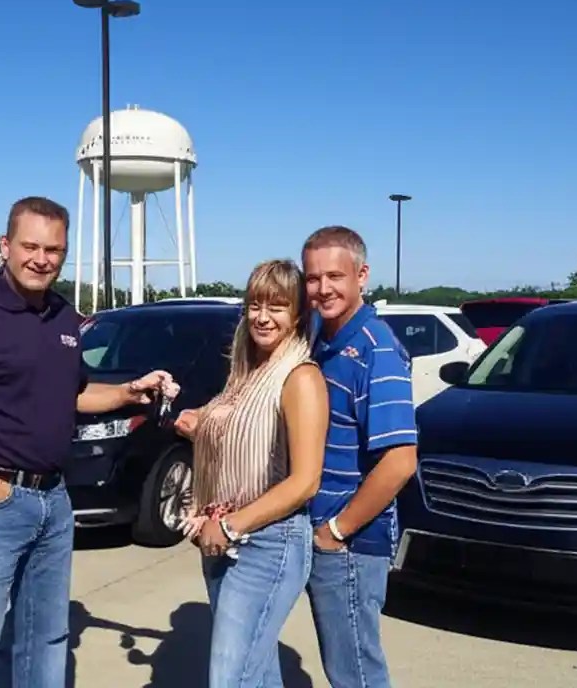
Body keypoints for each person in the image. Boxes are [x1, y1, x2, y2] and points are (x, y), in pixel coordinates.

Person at [0, 196, 179, 688]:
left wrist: (131, 391)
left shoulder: (64, 318)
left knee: (45, 642)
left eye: (54, 250)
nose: (41, 259)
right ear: (5, 246)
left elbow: (73, 394)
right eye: (30, 246)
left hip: (54, 500)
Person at [173, 258, 328, 688]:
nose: (262, 317)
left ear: (297, 314)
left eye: (276, 306)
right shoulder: (245, 372)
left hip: (268, 543)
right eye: (254, 305)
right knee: (255, 675)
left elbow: (305, 480)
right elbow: (241, 438)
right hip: (223, 536)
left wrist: (230, 524)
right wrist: (198, 425)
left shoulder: (300, 378)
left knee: (231, 677)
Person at [300, 225, 418, 688]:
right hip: (313, 529)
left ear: (361, 275)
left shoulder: (376, 348)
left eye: (335, 276)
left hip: (348, 544)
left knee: (355, 672)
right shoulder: (320, 337)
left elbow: (400, 460)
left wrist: (336, 531)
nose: (323, 288)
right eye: (313, 278)